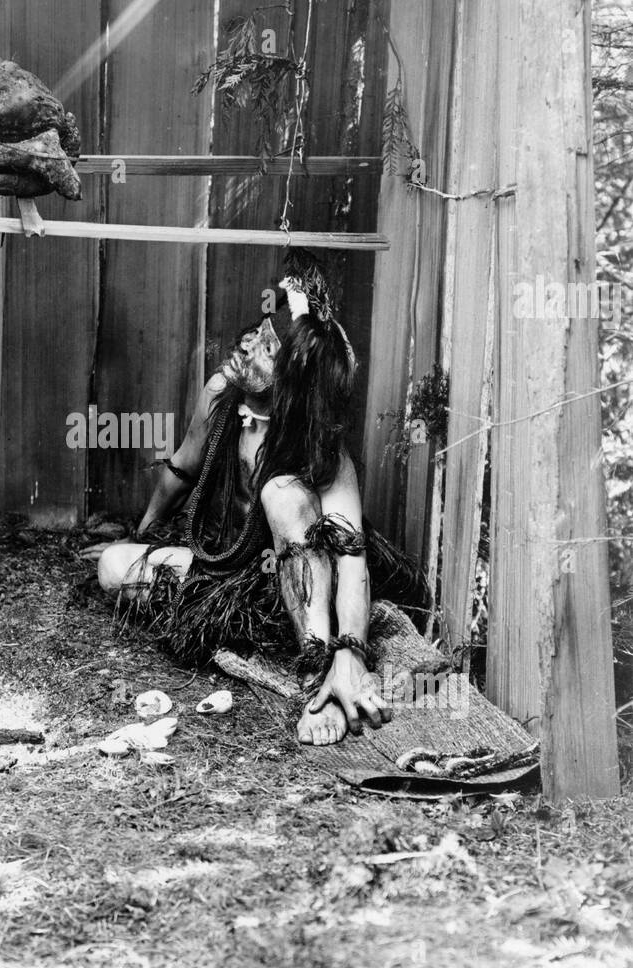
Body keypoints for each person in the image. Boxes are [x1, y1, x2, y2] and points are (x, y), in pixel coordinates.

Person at [97, 250, 426, 746]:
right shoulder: (219, 397)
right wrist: (143, 534)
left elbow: (352, 559)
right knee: (113, 567)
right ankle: (257, 635)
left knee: (281, 493)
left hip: (307, 588)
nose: (248, 343)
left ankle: (318, 679)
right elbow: (183, 470)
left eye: (266, 348)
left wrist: (349, 656)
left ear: (289, 378)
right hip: (236, 583)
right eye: (256, 333)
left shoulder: (318, 446)